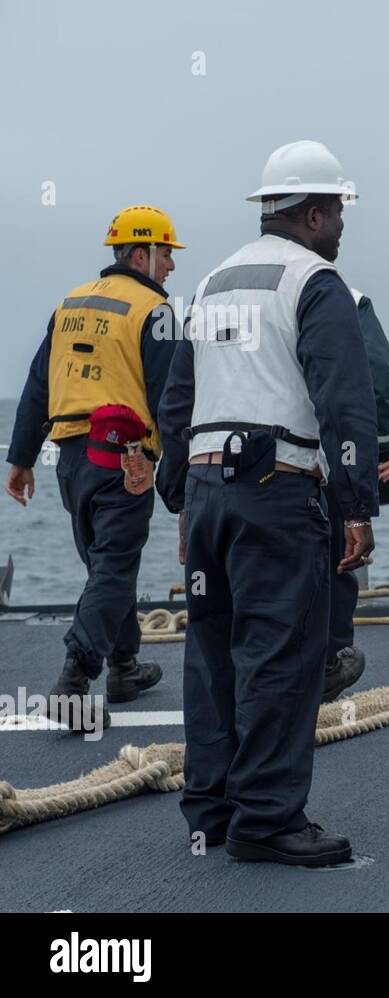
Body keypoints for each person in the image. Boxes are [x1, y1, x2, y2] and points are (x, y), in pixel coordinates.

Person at [156, 140, 379, 866]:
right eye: (338, 211)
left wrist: (180, 493)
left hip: (209, 490)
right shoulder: (316, 284)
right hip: (277, 491)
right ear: (312, 213)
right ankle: (269, 817)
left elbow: (178, 401)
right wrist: (355, 507)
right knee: (281, 653)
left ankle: (212, 808)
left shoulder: (214, 281)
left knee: (212, 652)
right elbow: (346, 402)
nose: (343, 226)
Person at [5, 205, 185, 730]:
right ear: (140, 254)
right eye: (167, 254)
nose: (171, 266)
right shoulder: (156, 311)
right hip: (123, 457)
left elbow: (38, 383)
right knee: (112, 567)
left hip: (70, 462)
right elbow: (172, 404)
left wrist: (19, 459)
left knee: (107, 565)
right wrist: (180, 484)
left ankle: (124, 668)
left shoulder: (71, 304)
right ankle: (74, 679)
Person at [321, 287, 389, 704]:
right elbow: (379, 371)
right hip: (319, 457)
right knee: (336, 557)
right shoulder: (344, 296)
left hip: (238, 463)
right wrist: (383, 446)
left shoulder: (223, 290)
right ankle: (330, 665)